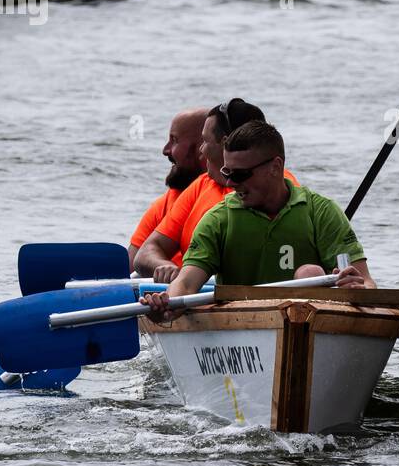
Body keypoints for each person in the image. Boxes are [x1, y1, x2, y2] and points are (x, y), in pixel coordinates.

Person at [141, 121, 373, 321]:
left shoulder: (321, 211)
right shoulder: (218, 219)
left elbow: (368, 283)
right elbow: (187, 284)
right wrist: (167, 305)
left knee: (309, 274)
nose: (231, 184)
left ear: (275, 167)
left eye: (240, 174)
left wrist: (357, 289)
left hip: (312, 323)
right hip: (241, 326)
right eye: (227, 172)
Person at [133, 98, 298, 283]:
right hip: (193, 290)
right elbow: (146, 251)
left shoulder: (278, 189)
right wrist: (169, 269)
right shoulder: (202, 184)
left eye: (205, 141)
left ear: (226, 143)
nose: (201, 150)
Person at [128, 107, 207, 269]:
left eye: (175, 140)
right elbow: (130, 266)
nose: (165, 150)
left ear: (203, 147)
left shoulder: (237, 195)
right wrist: (166, 269)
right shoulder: (165, 202)